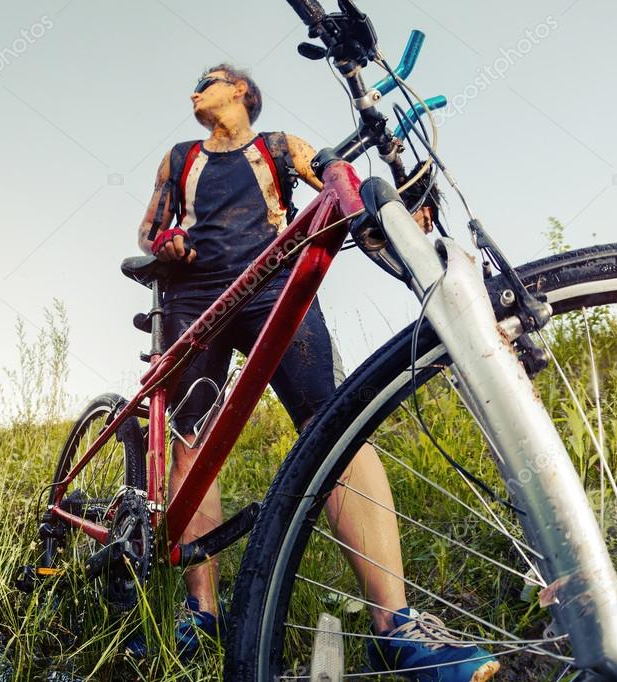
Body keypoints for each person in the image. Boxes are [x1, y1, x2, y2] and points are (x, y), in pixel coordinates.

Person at [130, 63, 499, 682]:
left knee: (332, 427)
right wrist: (164, 239)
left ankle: (396, 626)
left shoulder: (277, 147)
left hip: (274, 284)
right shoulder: (179, 157)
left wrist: (386, 202)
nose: (195, 86)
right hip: (196, 297)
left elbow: (328, 171)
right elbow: (148, 226)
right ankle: (202, 613)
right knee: (192, 441)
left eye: (210, 79)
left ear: (242, 93)